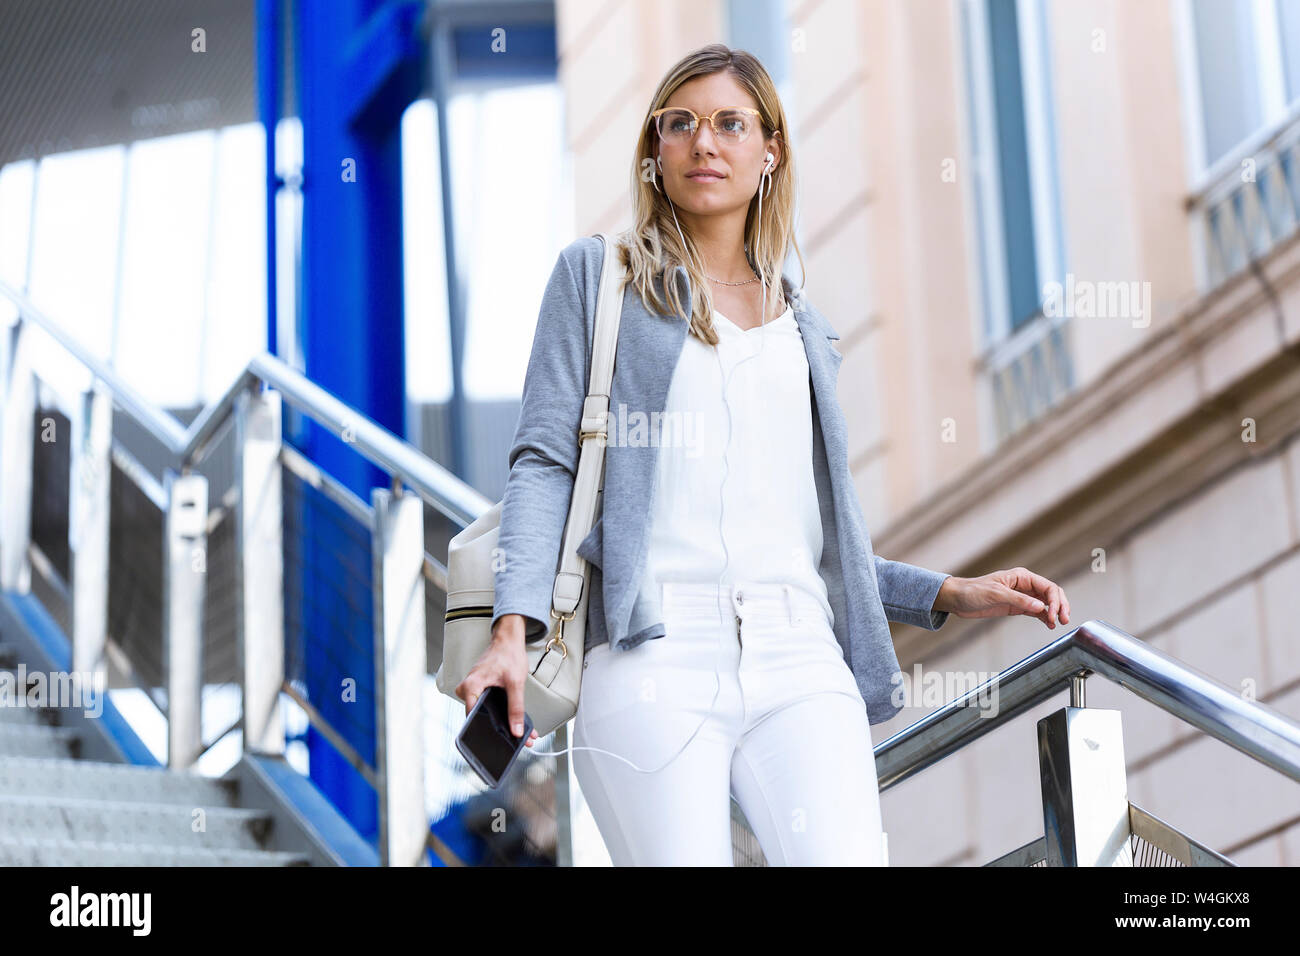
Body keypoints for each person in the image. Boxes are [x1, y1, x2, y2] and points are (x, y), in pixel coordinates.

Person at [455, 43, 1070, 866]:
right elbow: (544, 465)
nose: (704, 143)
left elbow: (805, 539)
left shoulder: (805, 327)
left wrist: (949, 591)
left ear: (769, 151)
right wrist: (509, 632)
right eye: (681, 124)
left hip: (801, 654)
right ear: (656, 152)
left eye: (730, 124)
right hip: (651, 657)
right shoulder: (602, 281)